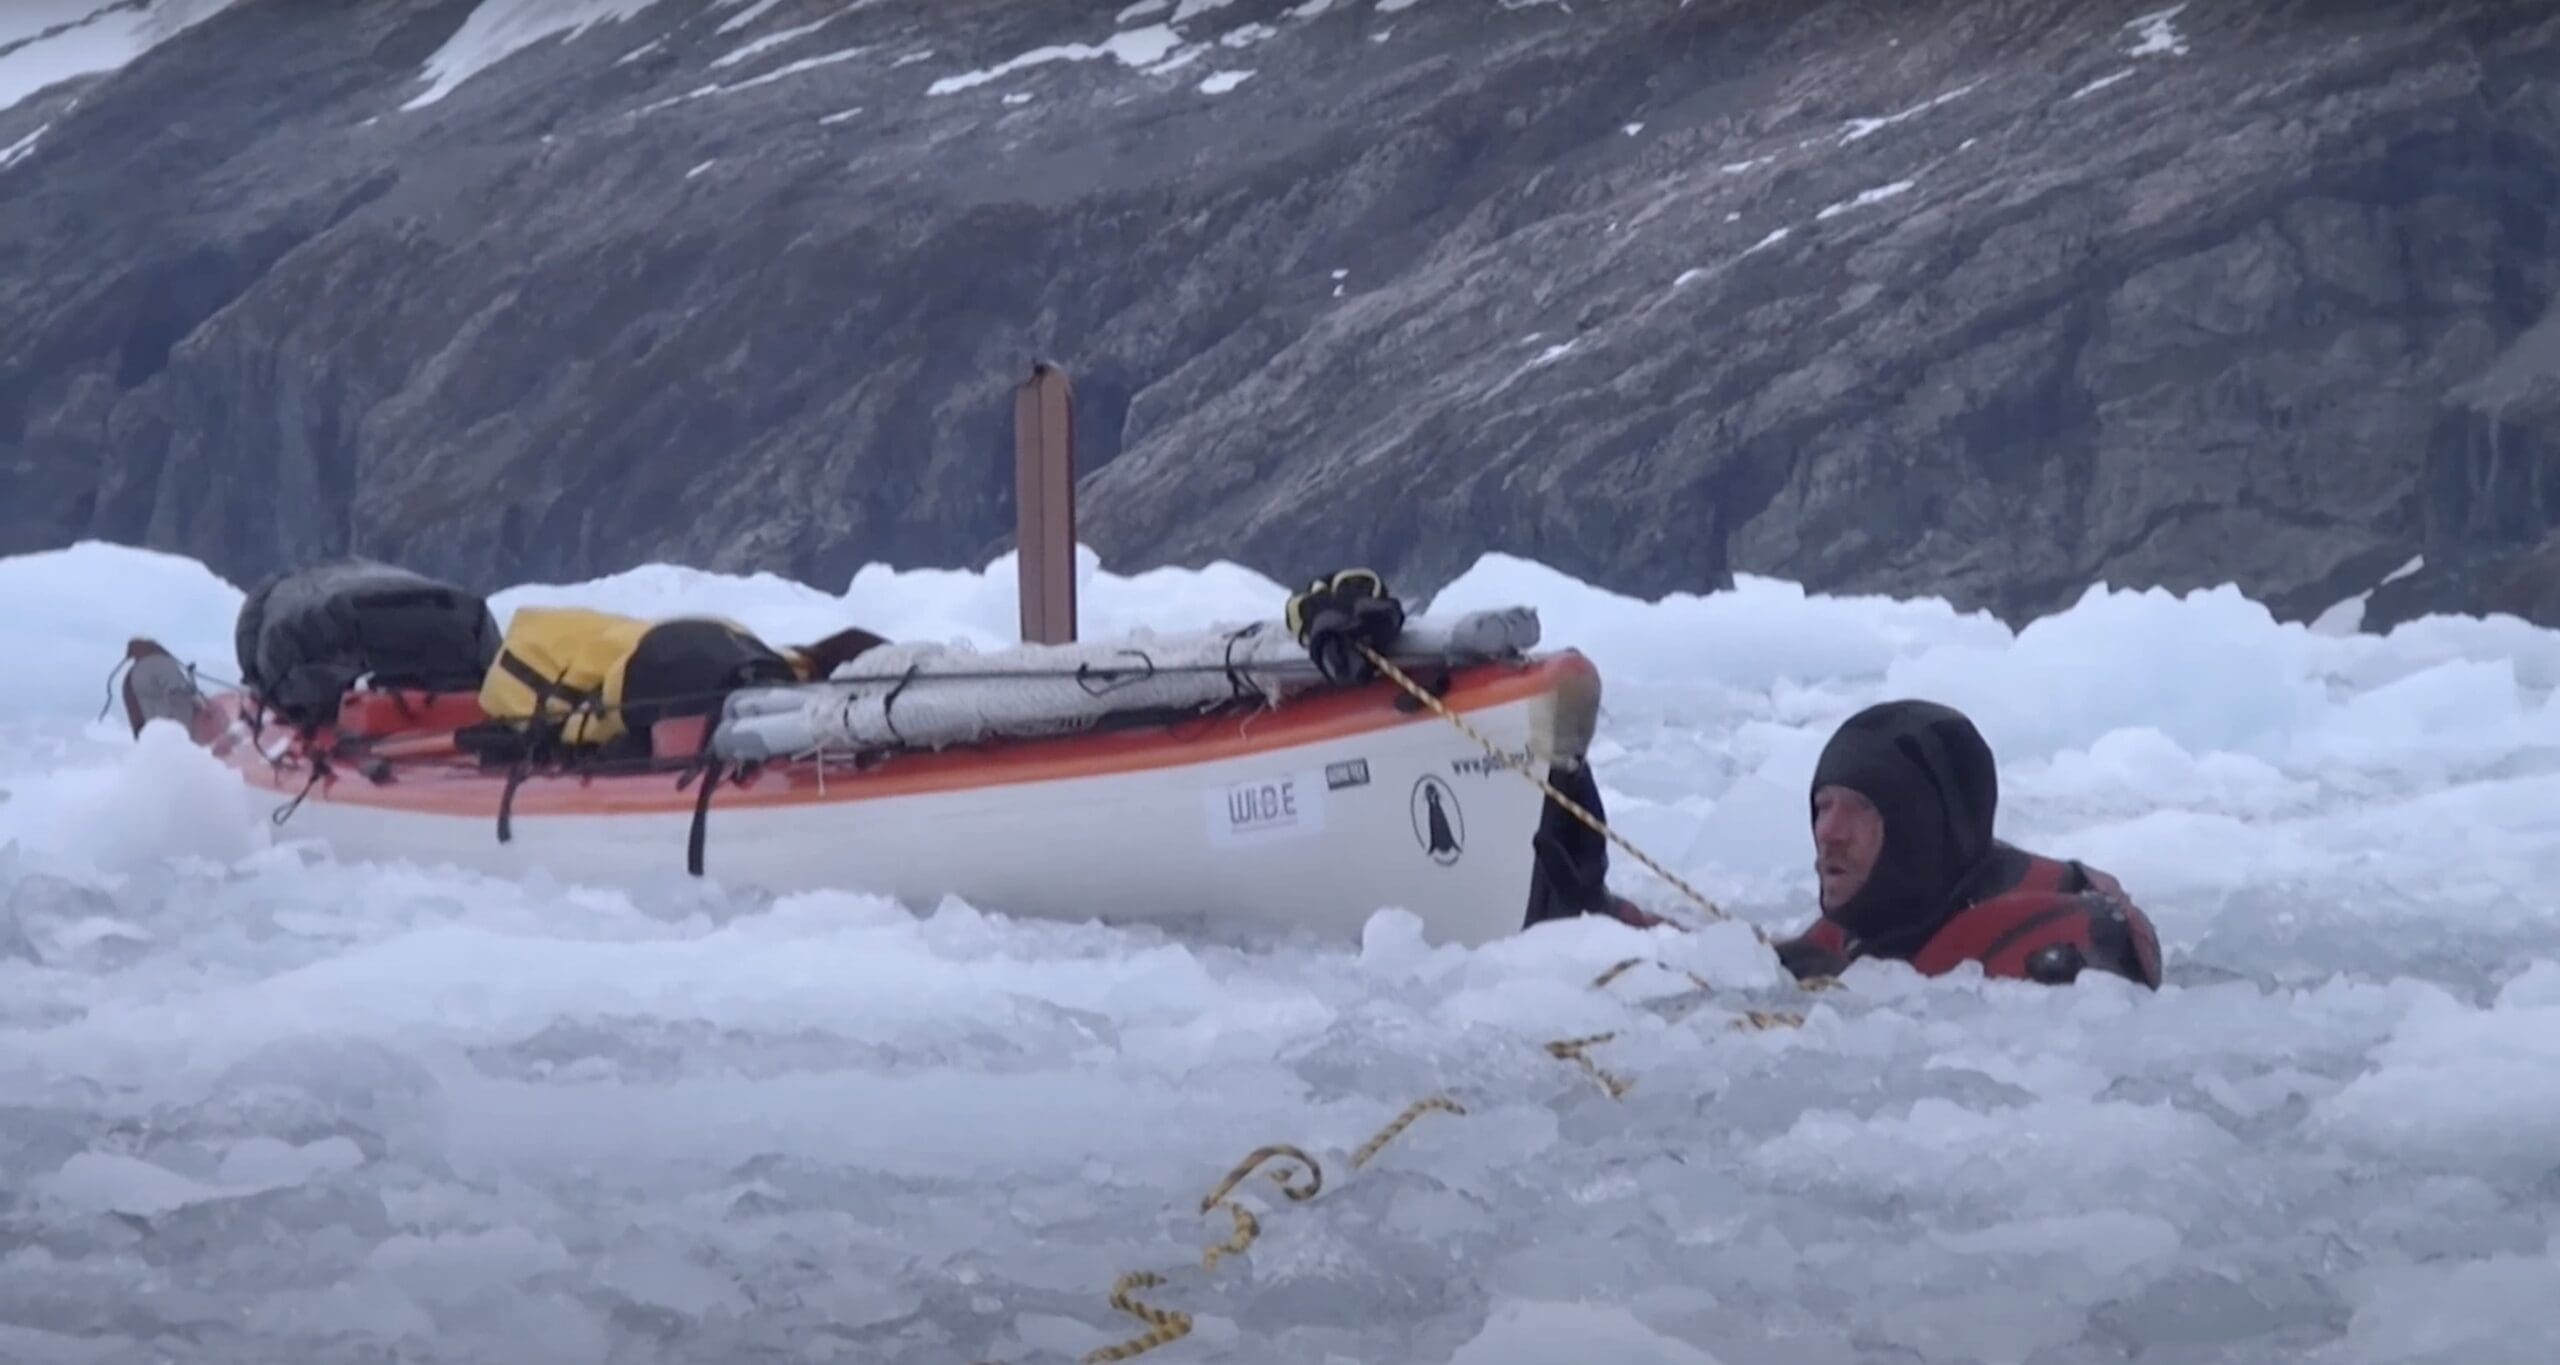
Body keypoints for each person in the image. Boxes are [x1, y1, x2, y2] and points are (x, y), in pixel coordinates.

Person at [1772, 699, 2163, 989]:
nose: (1830, 832)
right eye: (1823, 806)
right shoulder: (1848, 935)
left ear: (1920, 829)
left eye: (1861, 808)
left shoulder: (2060, 954)